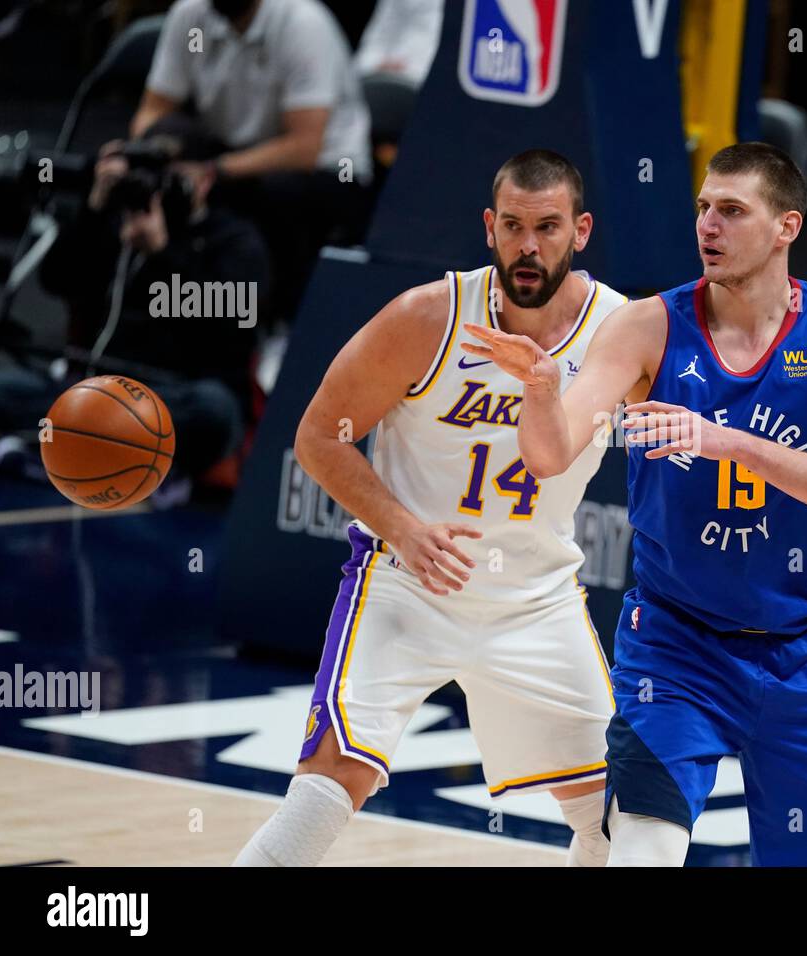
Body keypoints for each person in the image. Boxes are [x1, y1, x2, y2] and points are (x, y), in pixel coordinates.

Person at [463, 142, 807, 866]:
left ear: (786, 226)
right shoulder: (648, 325)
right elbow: (549, 453)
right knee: (643, 851)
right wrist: (540, 389)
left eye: (732, 210)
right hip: (677, 646)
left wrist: (726, 442)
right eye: (703, 208)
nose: (708, 225)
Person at [233, 150, 628, 867]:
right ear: (489, 226)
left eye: (547, 227)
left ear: (582, 230)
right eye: (513, 226)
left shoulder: (621, 330)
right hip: (406, 585)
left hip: (534, 599)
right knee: (323, 794)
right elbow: (319, 436)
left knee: (617, 821)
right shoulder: (428, 317)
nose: (528, 246)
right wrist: (402, 529)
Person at [0, 115, 269, 493]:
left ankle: (60, 448)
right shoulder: (115, 224)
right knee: (4, 389)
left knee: (214, 410)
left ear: (205, 179)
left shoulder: (234, 240)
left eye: (170, 174)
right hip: (96, 389)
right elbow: (56, 281)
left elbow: (230, 326)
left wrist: (162, 254)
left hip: (176, 393)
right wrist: (94, 209)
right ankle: (107, 452)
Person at [133, 0, 374, 315]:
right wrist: (146, 153)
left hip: (329, 167)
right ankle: (156, 304)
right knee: (163, 142)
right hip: (237, 154)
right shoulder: (189, 15)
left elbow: (304, 147)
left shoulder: (303, 23)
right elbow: (153, 111)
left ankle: (278, 318)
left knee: (277, 190)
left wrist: (211, 170)